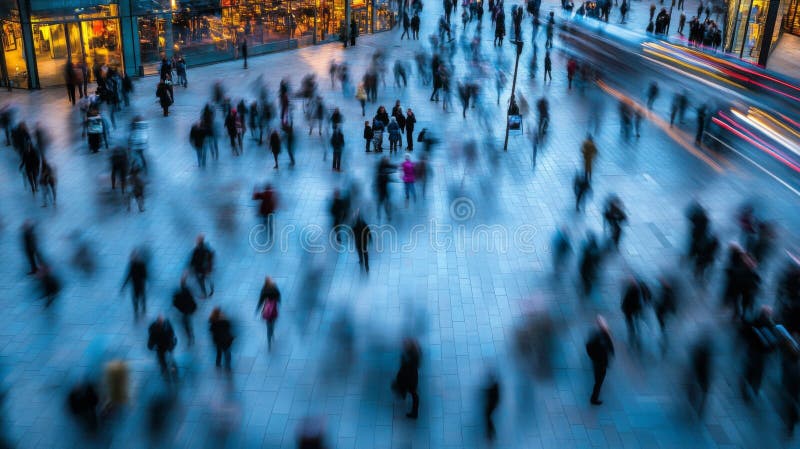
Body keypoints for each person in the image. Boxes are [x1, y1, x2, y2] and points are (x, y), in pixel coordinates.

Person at [585, 316, 614, 405]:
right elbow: (589, 346)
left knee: (600, 379)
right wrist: (593, 357)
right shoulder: (598, 336)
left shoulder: (604, 335)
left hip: (601, 361)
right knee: (598, 381)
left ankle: (594, 397)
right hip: (598, 362)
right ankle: (594, 399)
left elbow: (610, 345)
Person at [392, 338, 422, 419]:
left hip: (409, 377)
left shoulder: (412, 355)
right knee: (411, 392)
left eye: (405, 345)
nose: (404, 346)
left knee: (413, 393)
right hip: (408, 376)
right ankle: (403, 394)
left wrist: (404, 362)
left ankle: (414, 413)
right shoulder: (411, 353)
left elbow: (408, 365)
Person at [121, 249, 148, 320]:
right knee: (135, 299)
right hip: (135, 285)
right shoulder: (131, 264)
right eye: (131, 257)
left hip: (140, 284)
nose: (131, 258)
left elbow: (145, 275)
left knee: (141, 298)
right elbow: (128, 275)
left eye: (132, 257)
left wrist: (139, 277)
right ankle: (137, 312)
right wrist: (124, 286)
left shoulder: (142, 264)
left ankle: (143, 310)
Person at [172, 273, 197, 346]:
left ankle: (190, 337)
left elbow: (176, 303)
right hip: (187, 310)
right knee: (187, 323)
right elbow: (192, 301)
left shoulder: (181, 294)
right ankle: (190, 336)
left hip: (185, 311)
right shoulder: (187, 293)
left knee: (186, 324)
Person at [257, 277, 281, 350]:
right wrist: (278, 301)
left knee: (268, 326)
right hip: (273, 309)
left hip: (267, 310)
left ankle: (269, 342)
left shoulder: (264, 290)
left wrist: (257, 309)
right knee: (272, 323)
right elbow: (278, 296)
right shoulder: (274, 288)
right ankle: (272, 333)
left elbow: (261, 300)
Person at [189, 234, 215, 298]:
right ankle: (209, 291)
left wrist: (191, 266)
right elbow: (210, 257)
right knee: (204, 279)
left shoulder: (197, 250)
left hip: (200, 269)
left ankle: (204, 293)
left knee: (201, 281)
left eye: (197, 240)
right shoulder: (206, 249)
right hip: (204, 269)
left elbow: (193, 260)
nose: (196, 241)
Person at [483, 373, 500, 440]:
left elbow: (492, 394)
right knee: (488, 417)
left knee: (488, 417)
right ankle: (490, 433)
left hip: (492, 404)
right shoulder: (495, 386)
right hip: (492, 404)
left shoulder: (494, 387)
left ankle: (491, 433)